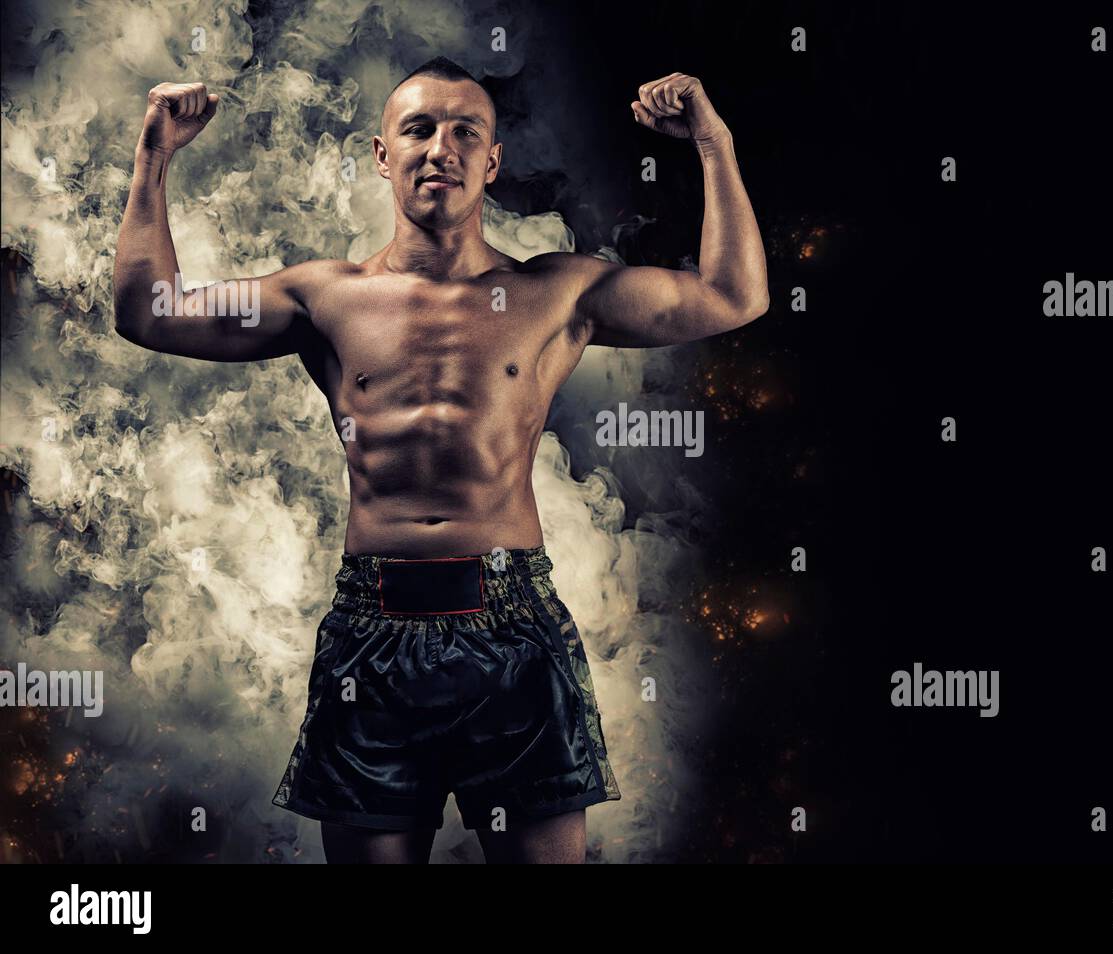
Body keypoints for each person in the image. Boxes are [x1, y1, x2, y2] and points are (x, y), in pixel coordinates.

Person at [112, 56, 768, 863]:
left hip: (515, 630)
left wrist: (712, 140)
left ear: (491, 162)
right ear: (384, 154)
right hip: (372, 634)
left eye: (467, 132)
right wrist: (154, 157)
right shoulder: (323, 297)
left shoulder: (557, 294)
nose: (441, 148)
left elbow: (734, 294)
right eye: (418, 129)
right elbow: (149, 312)